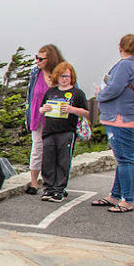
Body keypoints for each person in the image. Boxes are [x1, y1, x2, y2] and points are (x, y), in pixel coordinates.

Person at [92, 34, 134, 213]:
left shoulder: (125, 65)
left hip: (122, 118)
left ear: (120, 47)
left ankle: (127, 199)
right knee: (123, 158)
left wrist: (100, 95)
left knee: (125, 160)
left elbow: (114, 89)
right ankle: (115, 195)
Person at [37, 62, 89, 202]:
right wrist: (44, 109)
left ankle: (59, 189)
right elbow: (41, 108)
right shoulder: (51, 92)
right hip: (49, 130)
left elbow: (86, 112)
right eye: (61, 76)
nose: (64, 79)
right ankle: (48, 188)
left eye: (67, 76)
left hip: (67, 131)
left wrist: (72, 110)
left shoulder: (77, 93)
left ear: (71, 77)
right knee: (48, 160)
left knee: (63, 161)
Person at [24, 44, 64, 195]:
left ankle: (55, 183)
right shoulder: (35, 73)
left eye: (41, 59)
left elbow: (71, 91)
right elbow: (30, 95)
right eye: (36, 57)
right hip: (37, 115)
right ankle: (34, 182)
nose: (37, 61)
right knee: (37, 149)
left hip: (56, 118)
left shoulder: (61, 72)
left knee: (55, 149)